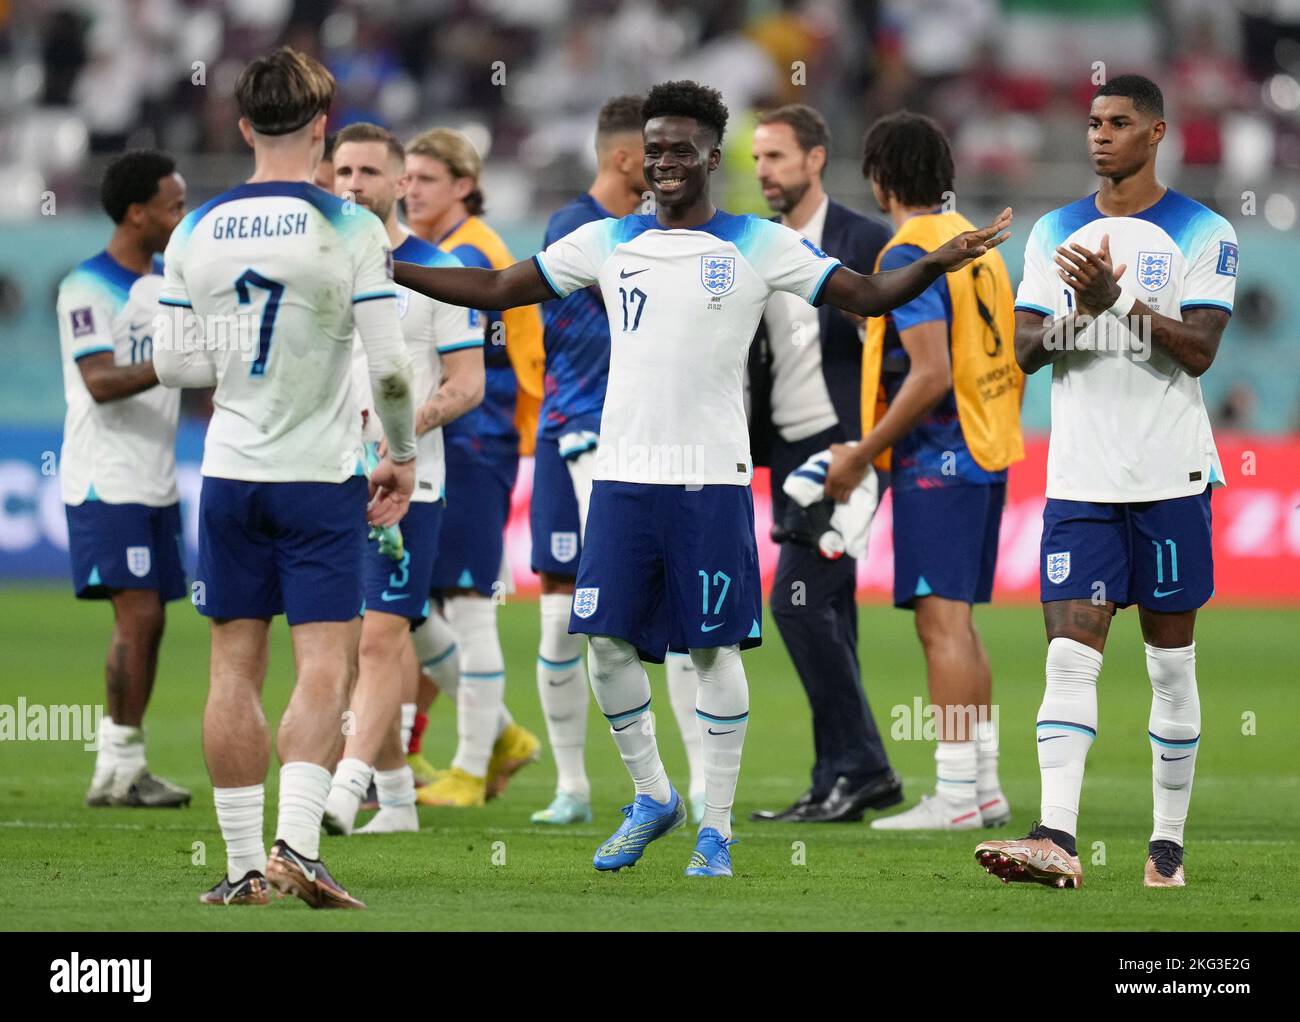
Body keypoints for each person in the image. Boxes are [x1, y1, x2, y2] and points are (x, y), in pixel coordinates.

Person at [394, 80, 1012, 877]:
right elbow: (493, 287)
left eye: (680, 149)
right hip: (621, 477)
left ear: (714, 156)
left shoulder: (758, 243)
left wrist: (934, 262)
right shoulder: (606, 240)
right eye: (653, 149)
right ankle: (653, 796)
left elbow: (868, 295)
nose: (664, 161)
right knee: (604, 645)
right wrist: (391, 268)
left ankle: (715, 829)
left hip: (711, 483)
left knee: (714, 654)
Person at [154, 47, 417, 909]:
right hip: (317, 477)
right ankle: (296, 847)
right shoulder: (350, 227)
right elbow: (389, 369)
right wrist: (402, 454)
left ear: (242, 127)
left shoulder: (194, 229)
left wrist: (238, 358)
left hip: (230, 474)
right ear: (322, 128)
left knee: (232, 668)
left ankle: (239, 869)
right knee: (325, 665)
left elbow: (172, 363)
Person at [974, 74, 1237, 889]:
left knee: (1169, 667)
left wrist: (1116, 301)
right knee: (1068, 657)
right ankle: (1055, 835)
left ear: (1156, 133)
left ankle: (1167, 846)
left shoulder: (1204, 230)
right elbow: (1027, 352)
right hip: (1081, 478)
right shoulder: (1055, 230)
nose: (1099, 135)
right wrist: (1086, 312)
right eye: (1093, 122)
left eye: (1118, 122)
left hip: (1169, 474)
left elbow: (1198, 351)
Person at [827, 111, 1024, 832]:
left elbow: (931, 372)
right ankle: (984, 786)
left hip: (939, 455)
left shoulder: (910, 249)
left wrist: (860, 452)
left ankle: (954, 796)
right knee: (959, 625)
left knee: (940, 627)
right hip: (985, 445)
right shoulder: (975, 242)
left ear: (881, 179)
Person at [528, 95, 710, 827]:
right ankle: (573, 785)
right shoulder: (580, 231)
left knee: (669, 614)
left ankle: (697, 785)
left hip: (645, 440)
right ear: (624, 156)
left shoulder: (660, 232)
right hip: (579, 431)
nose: (668, 165)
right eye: (655, 151)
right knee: (563, 617)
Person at [320, 122, 485, 837]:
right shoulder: (315, 264)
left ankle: (344, 786)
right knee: (346, 647)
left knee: (381, 639)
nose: (354, 185)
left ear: (398, 182)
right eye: (343, 171)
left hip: (409, 486)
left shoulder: (438, 271)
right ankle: (395, 799)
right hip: (327, 479)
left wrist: (403, 432)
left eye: (369, 172)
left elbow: (468, 382)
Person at [745, 103, 903, 825]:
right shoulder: (759, 243)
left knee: (797, 603)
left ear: (815, 160)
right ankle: (832, 779)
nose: (763, 170)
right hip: (788, 449)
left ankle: (866, 767)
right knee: (830, 612)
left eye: (775, 156)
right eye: (757, 158)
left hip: (846, 447)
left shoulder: (865, 241)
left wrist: (867, 448)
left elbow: (905, 348)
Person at [401, 127, 543, 808]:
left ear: (464, 185)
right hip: (453, 444)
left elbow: (467, 368)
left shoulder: (467, 255)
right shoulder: (447, 250)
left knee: (465, 603)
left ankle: (473, 761)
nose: (410, 190)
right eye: (406, 178)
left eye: (425, 178)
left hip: (472, 442)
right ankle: (497, 736)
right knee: (410, 602)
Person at [57, 149, 191, 809]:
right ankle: (117, 768)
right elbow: (100, 381)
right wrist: (176, 363)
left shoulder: (169, 282)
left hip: (156, 477)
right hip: (105, 477)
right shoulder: (86, 286)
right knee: (137, 613)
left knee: (153, 620)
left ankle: (122, 766)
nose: (183, 218)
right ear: (137, 213)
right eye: (174, 206)